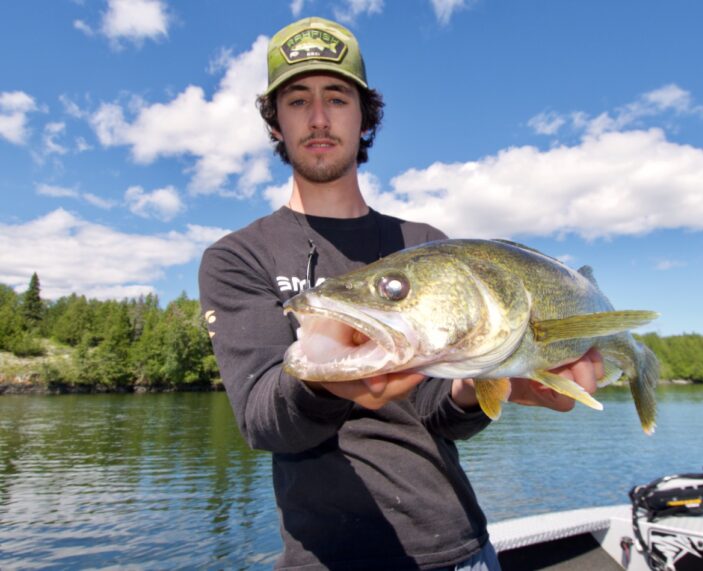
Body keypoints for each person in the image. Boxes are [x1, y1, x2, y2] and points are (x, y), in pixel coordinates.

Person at [198, 16, 603, 571]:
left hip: (461, 547)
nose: (318, 118)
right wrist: (331, 380)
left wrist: (473, 386)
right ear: (275, 123)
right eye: (297, 101)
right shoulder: (238, 257)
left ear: (365, 118)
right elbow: (264, 422)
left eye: (337, 98)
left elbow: (440, 416)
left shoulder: (426, 246)